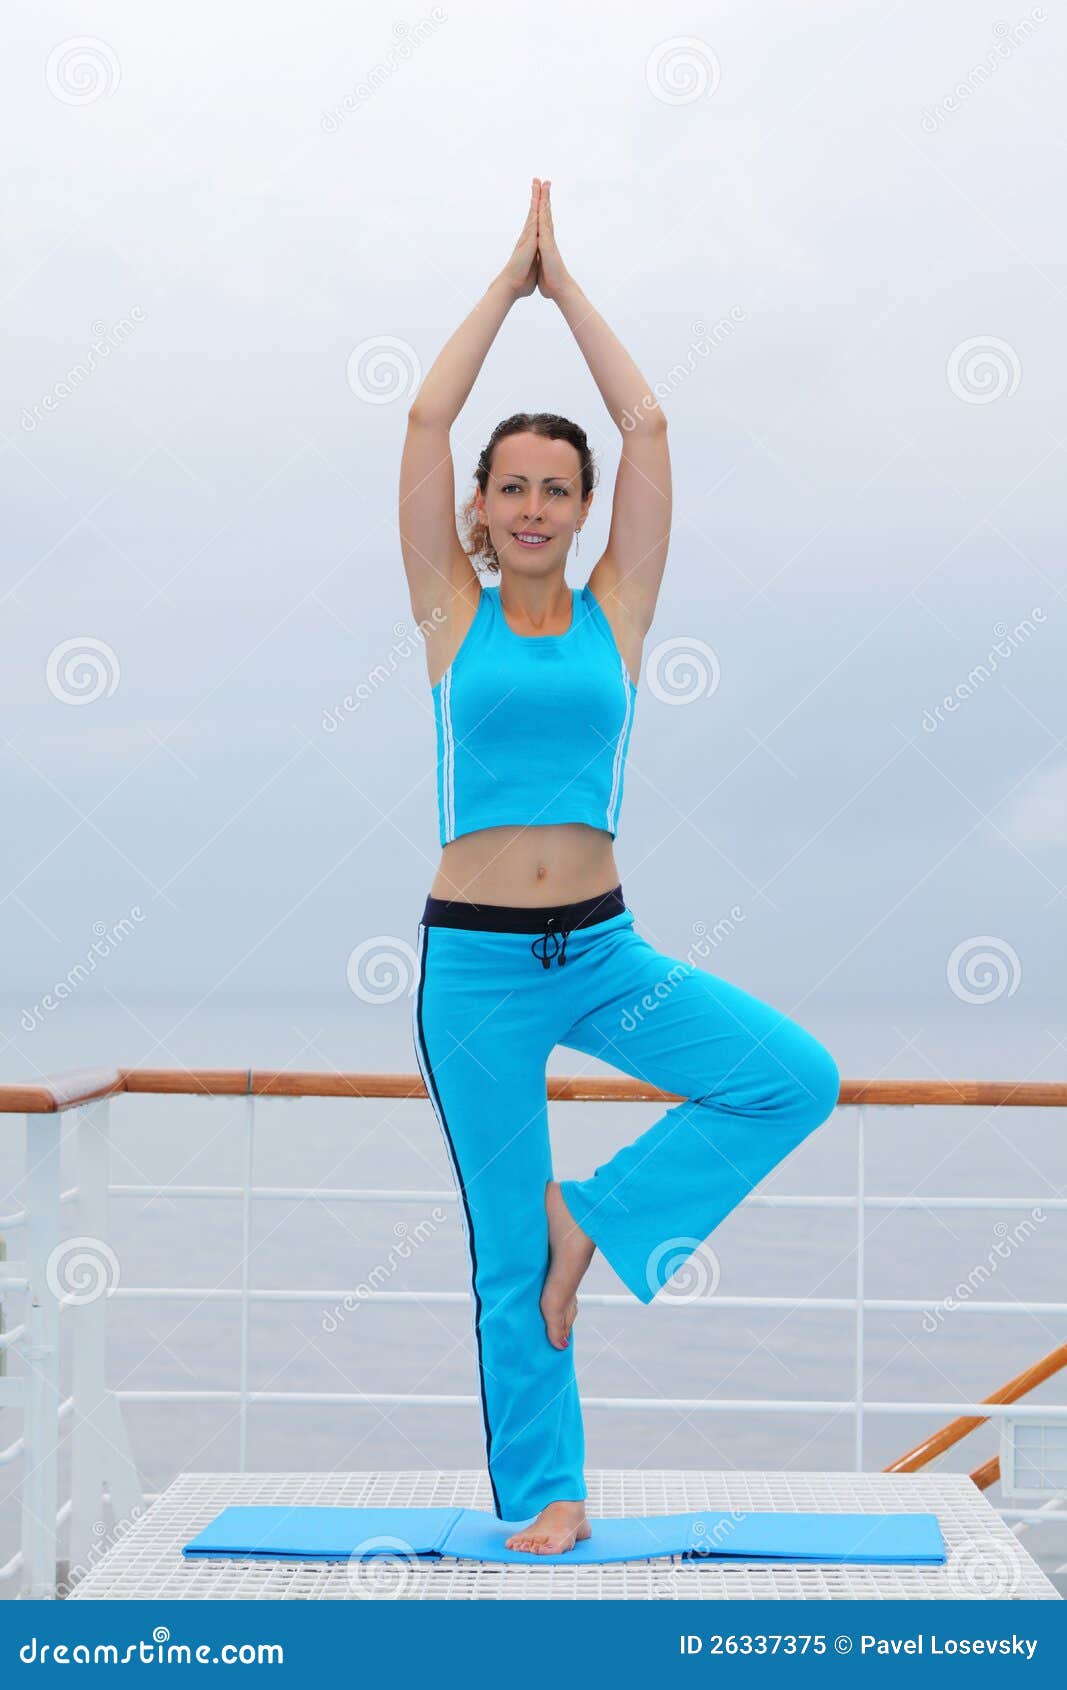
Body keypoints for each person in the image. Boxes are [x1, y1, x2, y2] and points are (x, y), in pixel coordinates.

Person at [399, 179, 840, 1554]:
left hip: (601, 950)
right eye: (512, 483)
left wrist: (564, 285)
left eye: (558, 488)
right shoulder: (446, 606)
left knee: (790, 1076)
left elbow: (650, 423)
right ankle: (546, 1493)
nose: (534, 504)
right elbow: (420, 419)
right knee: (504, 1264)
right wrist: (499, 283)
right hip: (472, 969)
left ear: (586, 510)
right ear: (481, 502)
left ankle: (597, 1212)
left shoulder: (618, 610)